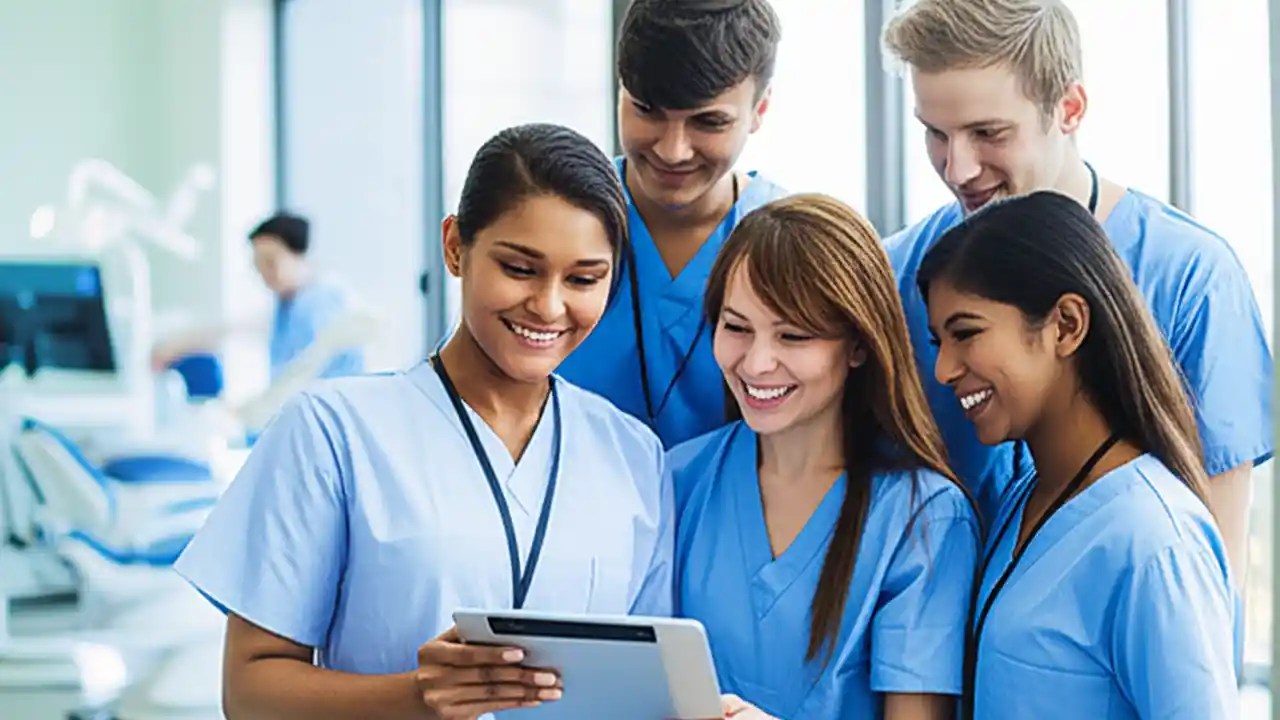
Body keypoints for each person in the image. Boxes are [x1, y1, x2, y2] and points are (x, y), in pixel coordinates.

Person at [173, 123, 673, 719]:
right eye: (519, 268)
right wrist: (412, 696)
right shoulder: (333, 432)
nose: (548, 305)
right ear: (456, 246)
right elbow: (249, 693)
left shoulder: (632, 454)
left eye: (584, 279)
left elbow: (648, 690)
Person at [880, 0, 1272, 584]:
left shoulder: (1190, 280)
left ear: (1069, 108)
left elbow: (1214, 569)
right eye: (935, 133)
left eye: (988, 133)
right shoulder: (897, 274)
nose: (958, 168)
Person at [922, 191, 1238, 719]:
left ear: (1066, 325)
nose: (945, 370)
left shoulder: (1153, 541)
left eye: (967, 334)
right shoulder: (1024, 502)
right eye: (938, 342)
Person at [671, 194, 979, 719]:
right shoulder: (677, 480)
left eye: (793, 335)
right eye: (736, 327)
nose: (757, 362)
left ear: (858, 345)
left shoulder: (923, 517)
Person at [557, 0, 789, 449]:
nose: (672, 150)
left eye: (709, 122)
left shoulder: (800, 245)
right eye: (647, 111)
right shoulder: (556, 219)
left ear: (760, 110)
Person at [152, 211, 368, 384]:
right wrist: (177, 345)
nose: (264, 272)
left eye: (270, 262)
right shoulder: (288, 306)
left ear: (299, 255)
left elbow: (302, 376)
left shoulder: (324, 303)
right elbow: (237, 329)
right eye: (257, 264)